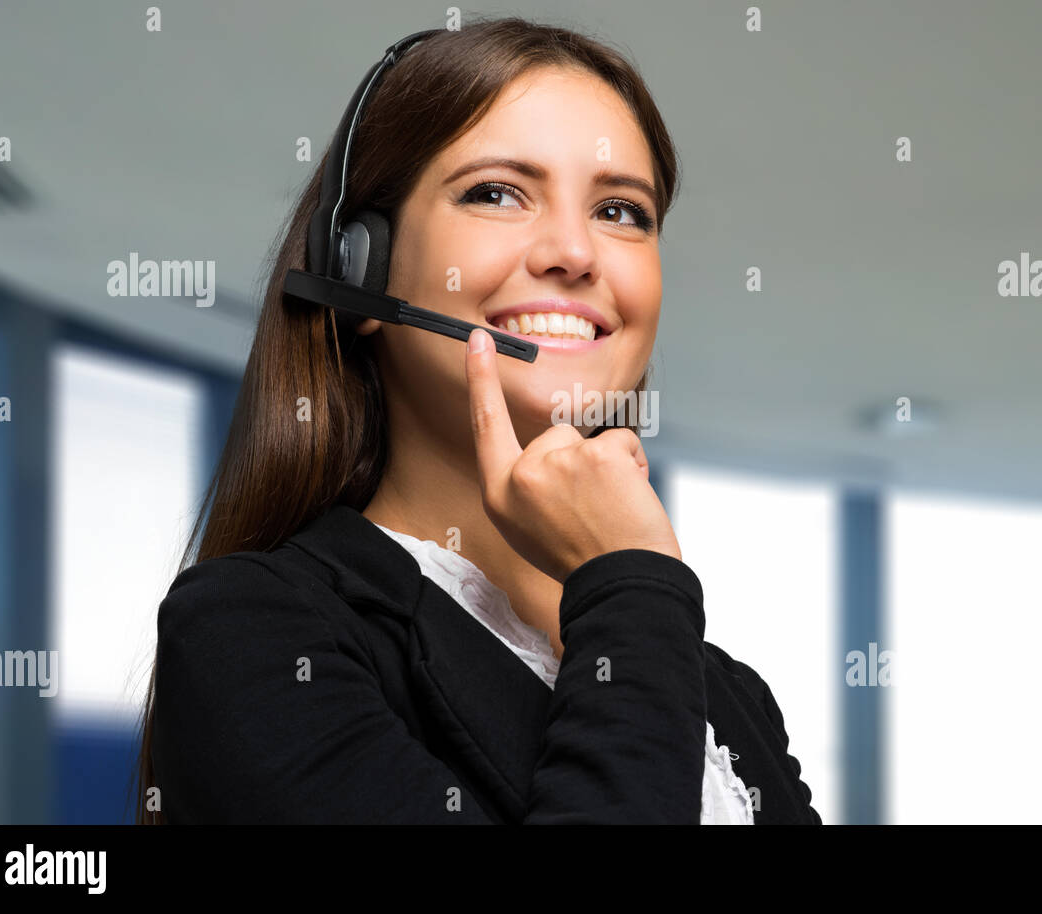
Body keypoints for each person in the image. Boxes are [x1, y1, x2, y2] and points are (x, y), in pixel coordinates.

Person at [135, 16, 822, 825]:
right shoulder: (254, 634)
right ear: (357, 268)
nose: (575, 251)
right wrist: (631, 584)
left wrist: (636, 604)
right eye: (497, 193)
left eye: (621, 211)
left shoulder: (726, 692)